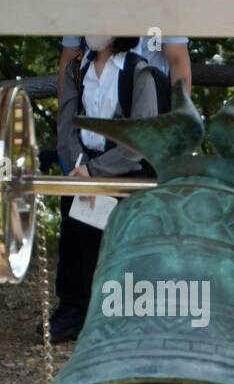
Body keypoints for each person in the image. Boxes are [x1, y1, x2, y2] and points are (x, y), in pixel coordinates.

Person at [48, 37, 160, 342]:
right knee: (74, 240)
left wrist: (97, 173)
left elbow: (140, 138)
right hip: (81, 166)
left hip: (125, 171)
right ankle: (73, 312)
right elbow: (67, 123)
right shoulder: (77, 68)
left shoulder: (139, 73)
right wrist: (81, 168)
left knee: (118, 247)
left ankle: (119, 318)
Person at [58, 33, 191, 101]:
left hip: (149, 109)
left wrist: (178, 123)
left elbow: (178, 63)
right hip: (92, 105)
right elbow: (68, 64)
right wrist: (66, 125)